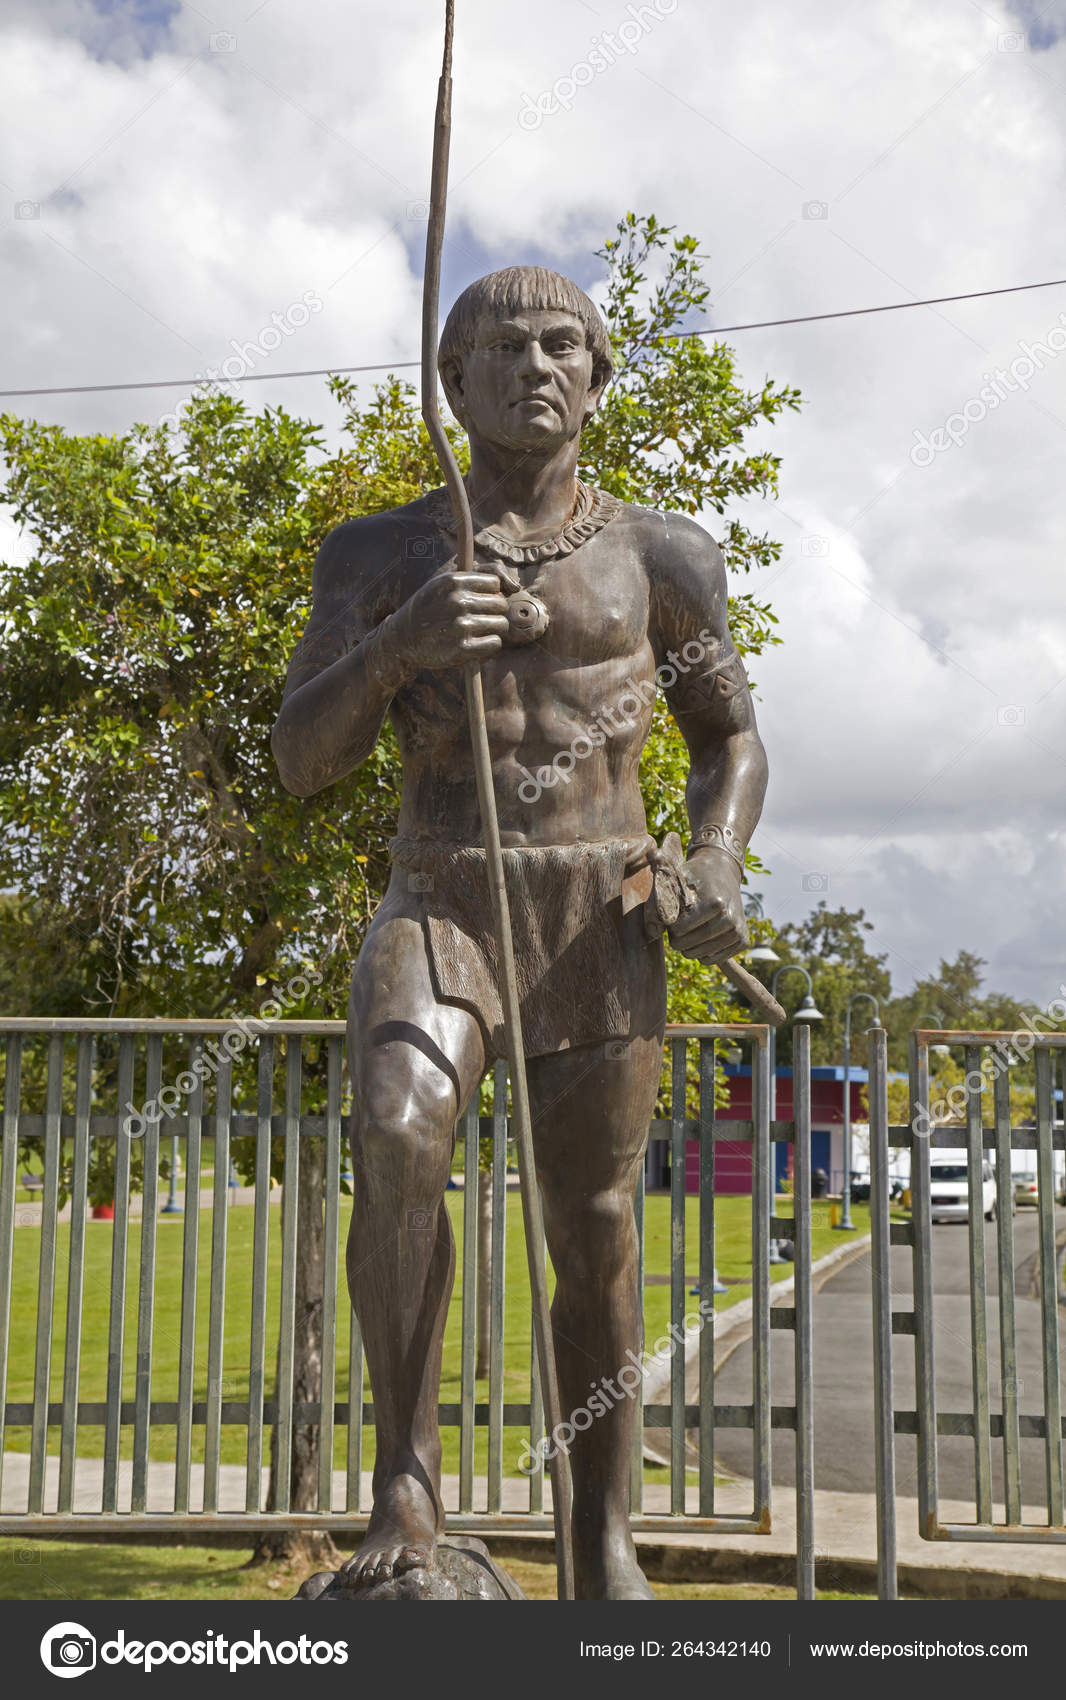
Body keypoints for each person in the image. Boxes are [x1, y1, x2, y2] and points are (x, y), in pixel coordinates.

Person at [271, 266, 768, 1600]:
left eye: (562, 344)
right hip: (441, 898)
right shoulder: (377, 555)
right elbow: (300, 760)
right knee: (397, 1142)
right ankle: (405, 1498)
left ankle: (599, 1532)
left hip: (597, 913)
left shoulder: (662, 557)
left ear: (599, 375)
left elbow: (731, 743)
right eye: (502, 346)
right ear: (456, 381)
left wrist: (715, 855)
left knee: (596, 1222)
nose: (534, 365)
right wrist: (402, 650)